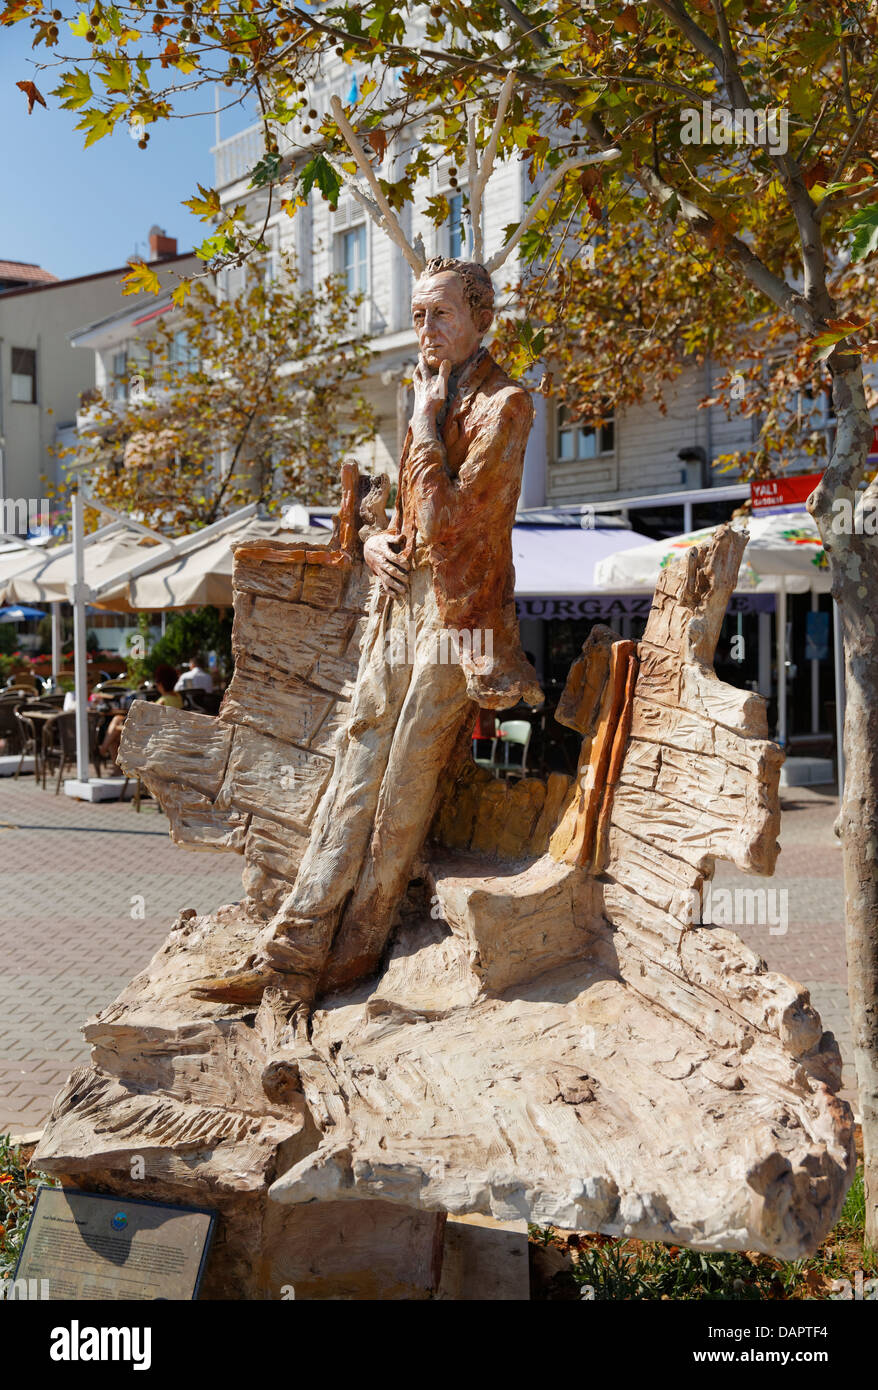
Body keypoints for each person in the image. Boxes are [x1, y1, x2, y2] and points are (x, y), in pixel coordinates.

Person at [192, 256, 543, 1042]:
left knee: (404, 780)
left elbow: (457, 525)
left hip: (462, 616)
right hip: (402, 600)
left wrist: (420, 425)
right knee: (358, 757)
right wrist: (380, 540)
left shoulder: (506, 406)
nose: (426, 330)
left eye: (440, 315)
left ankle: (354, 950)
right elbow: (413, 511)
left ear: (481, 317)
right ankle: (295, 947)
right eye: (418, 316)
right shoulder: (429, 393)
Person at [99, 663, 181, 766]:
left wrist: (149, 705)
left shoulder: (163, 701)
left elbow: (147, 719)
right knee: (116, 723)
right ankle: (105, 751)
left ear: (161, 684)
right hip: (168, 734)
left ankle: (103, 751)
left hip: (152, 736)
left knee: (115, 728)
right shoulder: (178, 697)